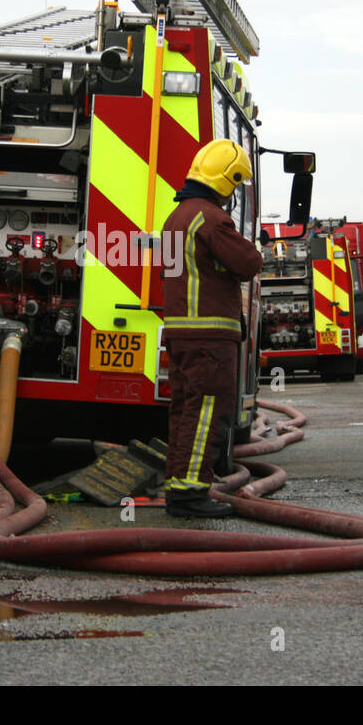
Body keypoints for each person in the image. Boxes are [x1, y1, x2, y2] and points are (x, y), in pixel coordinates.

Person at [160, 141, 263, 518]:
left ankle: (179, 485)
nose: (234, 193)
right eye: (235, 185)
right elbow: (248, 262)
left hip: (181, 334)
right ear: (226, 181)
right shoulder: (212, 219)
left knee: (185, 412)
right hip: (209, 338)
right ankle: (189, 495)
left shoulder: (175, 218)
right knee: (205, 412)